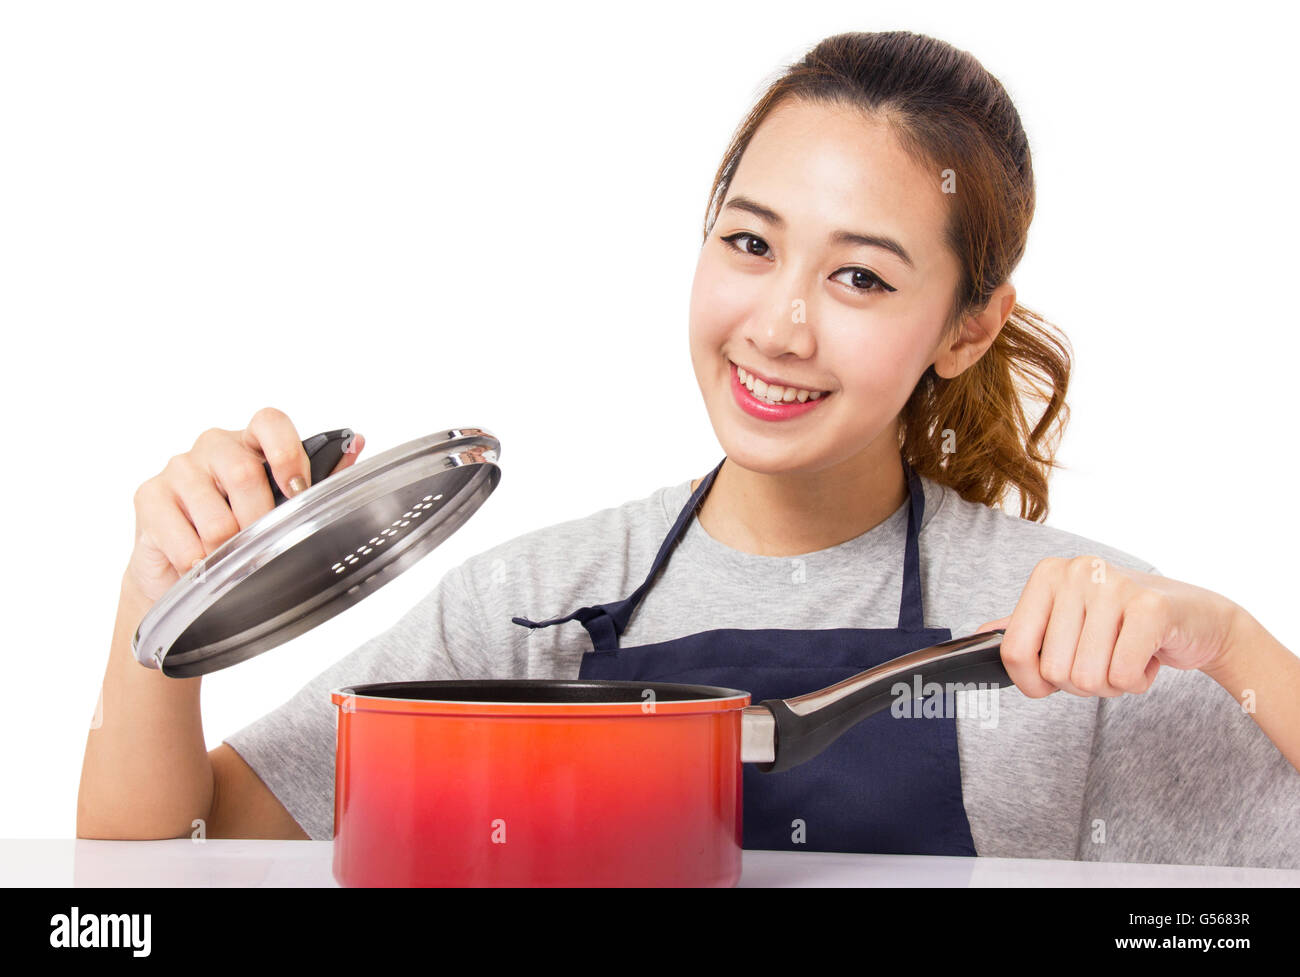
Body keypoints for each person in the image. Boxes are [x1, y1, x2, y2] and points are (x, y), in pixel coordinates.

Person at [78, 30, 1300, 867]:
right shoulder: (529, 610)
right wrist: (162, 613)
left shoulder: (1068, 636)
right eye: (751, 243)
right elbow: (169, 868)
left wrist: (1231, 642)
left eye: (862, 275)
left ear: (968, 327)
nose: (780, 325)